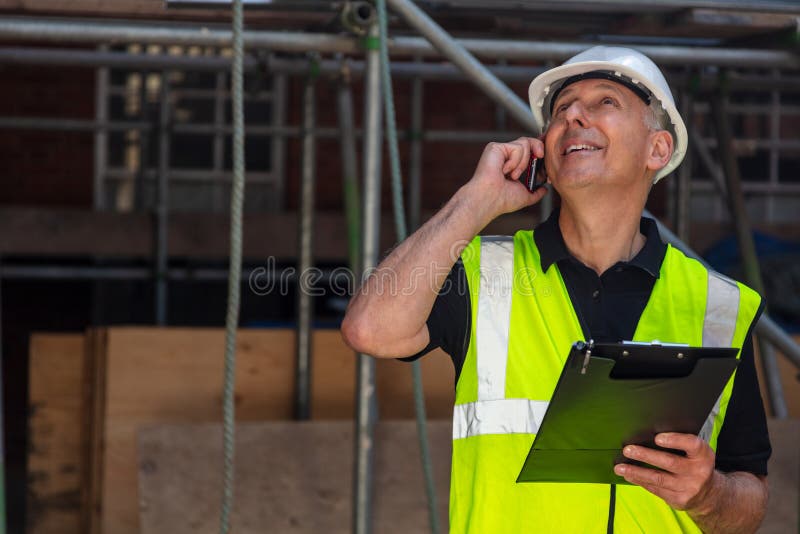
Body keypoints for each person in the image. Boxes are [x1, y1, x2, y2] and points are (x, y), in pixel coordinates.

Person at [341, 46, 770, 533]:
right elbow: (369, 330)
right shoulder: (484, 273)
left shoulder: (720, 305)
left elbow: (749, 499)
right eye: (561, 110)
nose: (573, 116)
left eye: (604, 102)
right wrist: (477, 200)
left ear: (658, 149)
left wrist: (709, 494)